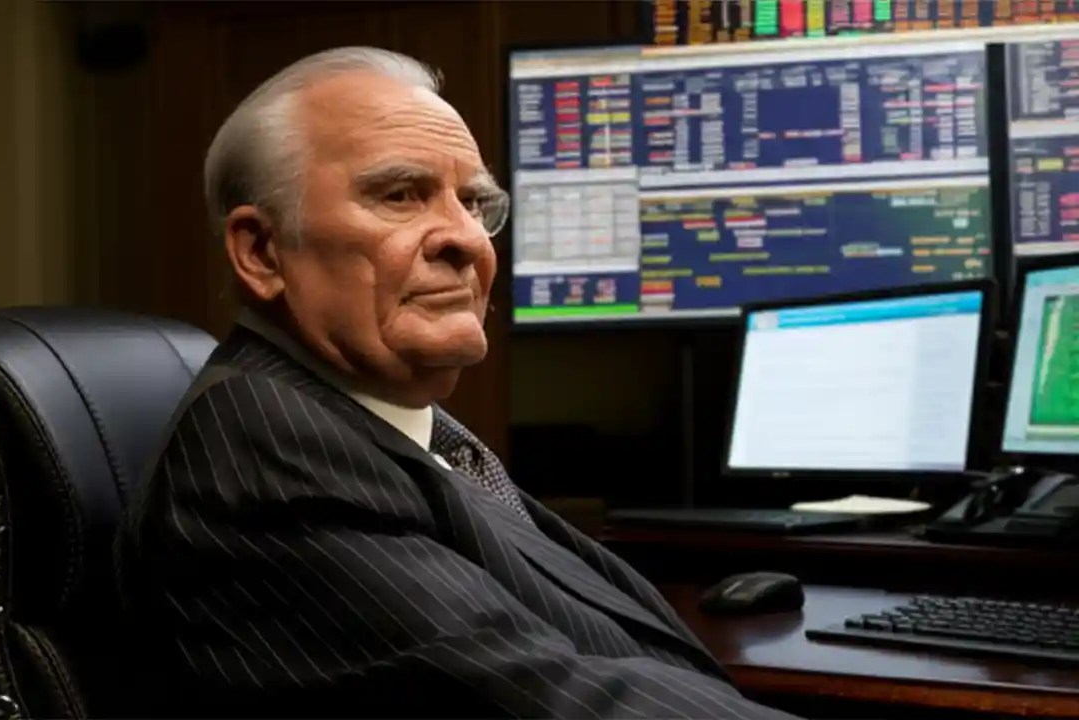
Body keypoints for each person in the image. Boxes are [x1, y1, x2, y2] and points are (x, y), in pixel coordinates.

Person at [118, 46, 797, 719]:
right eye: (400, 194)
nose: (467, 240)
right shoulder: (266, 450)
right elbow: (552, 698)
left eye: (475, 203)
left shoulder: (383, 420)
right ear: (262, 252)